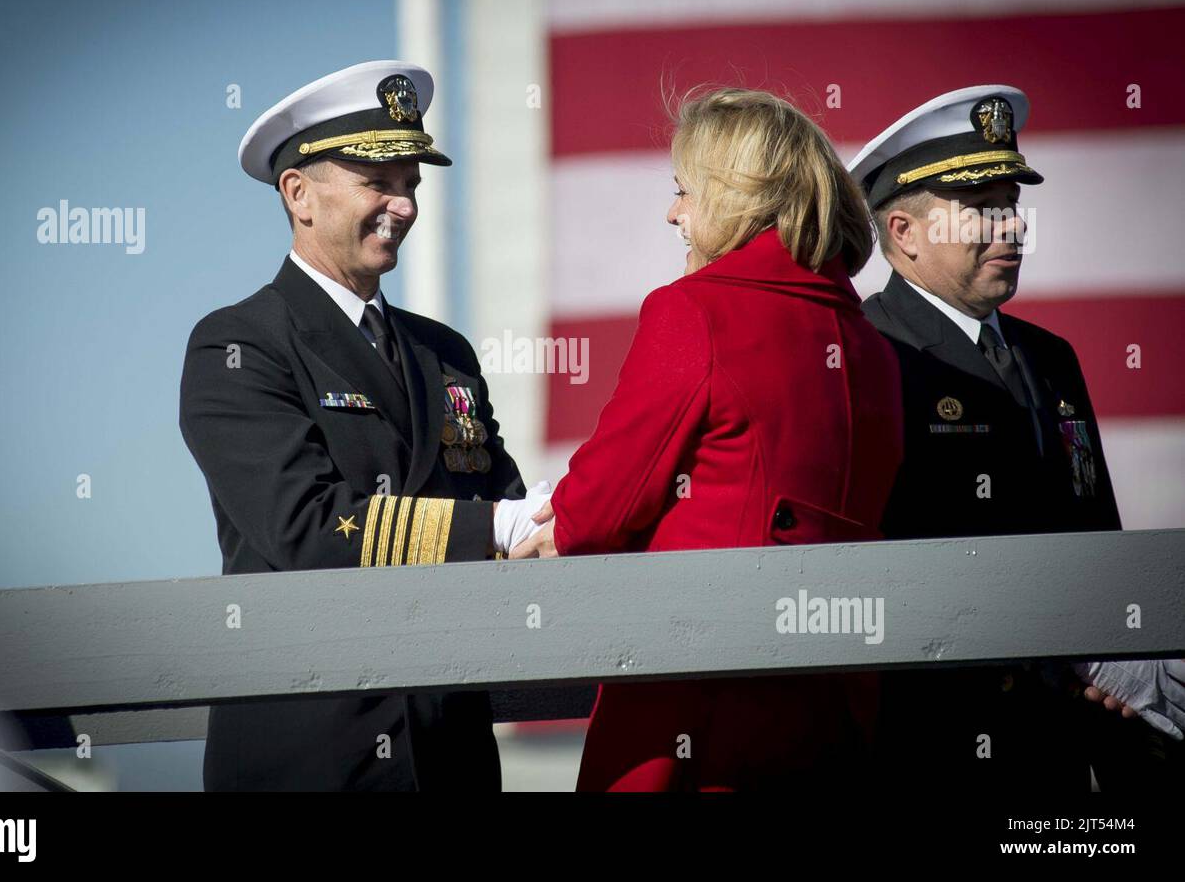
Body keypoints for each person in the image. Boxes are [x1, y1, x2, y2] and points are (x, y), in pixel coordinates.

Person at [514, 87, 905, 791]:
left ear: (736, 196)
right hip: (835, 722)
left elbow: (598, 506)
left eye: (684, 191)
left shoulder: (693, 312)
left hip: (695, 713)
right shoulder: (873, 347)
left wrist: (540, 524)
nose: (673, 211)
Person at [179, 60, 547, 791]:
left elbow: (507, 503)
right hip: (312, 757)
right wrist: (496, 531)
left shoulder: (444, 353)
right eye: (379, 181)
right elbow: (311, 528)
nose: (404, 205)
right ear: (299, 194)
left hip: (448, 756)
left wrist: (548, 526)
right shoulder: (238, 346)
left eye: (412, 184)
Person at [849, 84, 1184, 788]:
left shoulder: (1049, 356)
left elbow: (1098, 540)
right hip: (935, 753)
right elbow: (896, 567)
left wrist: (1131, 679)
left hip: (1065, 750)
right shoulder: (867, 355)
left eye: (1012, 205)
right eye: (981, 209)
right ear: (904, 232)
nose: (1012, 228)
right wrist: (1067, 665)